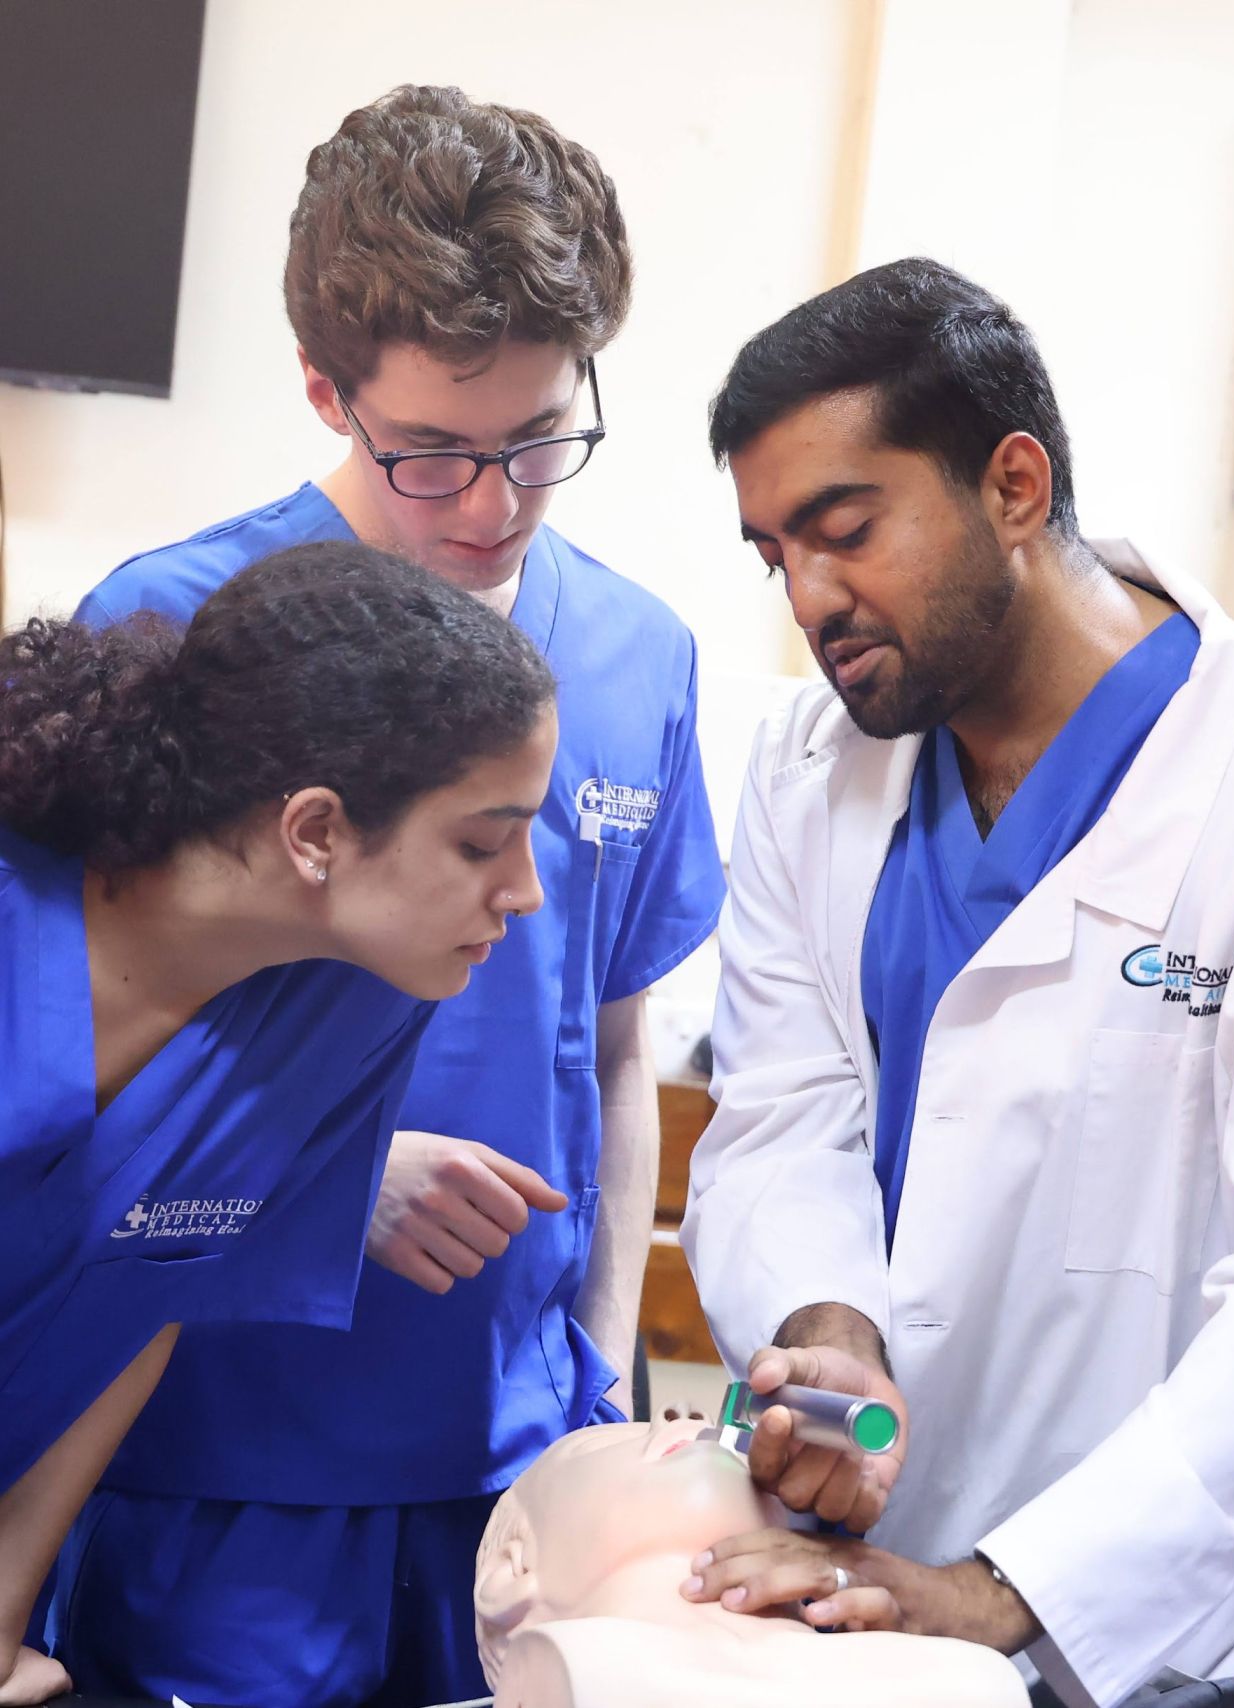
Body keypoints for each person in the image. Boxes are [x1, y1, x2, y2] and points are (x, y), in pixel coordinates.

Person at [51, 84, 725, 1708]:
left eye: (540, 441)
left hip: (517, 1469)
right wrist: (327, 1184)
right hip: (216, 1465)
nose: (494, 507)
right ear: (324, 391)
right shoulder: (174, 629)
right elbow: (59, 1076)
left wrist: (592, 1384)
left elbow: (614, 1050)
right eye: (432, 455)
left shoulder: (636, 656)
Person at [679, 257, 1234, 1707]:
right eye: (773, 557)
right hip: (866, 1596)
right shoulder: (810, 770)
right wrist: (828, 1338)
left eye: (844, 531)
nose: (810, 600)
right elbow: (783, 1117)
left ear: (1012, 485)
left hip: (1171, 1640)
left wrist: (1003, 1594)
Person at [0, 539, 556, 1706]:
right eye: (479, 841)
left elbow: (139, 1300)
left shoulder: (352, 1001)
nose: (525, 891)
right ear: (314, 832)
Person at [474, 1414, 1028, 1708]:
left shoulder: (961, 1674)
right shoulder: (566, 1670)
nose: (678, 1418)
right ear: (509, 1575)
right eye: (599, 1443)